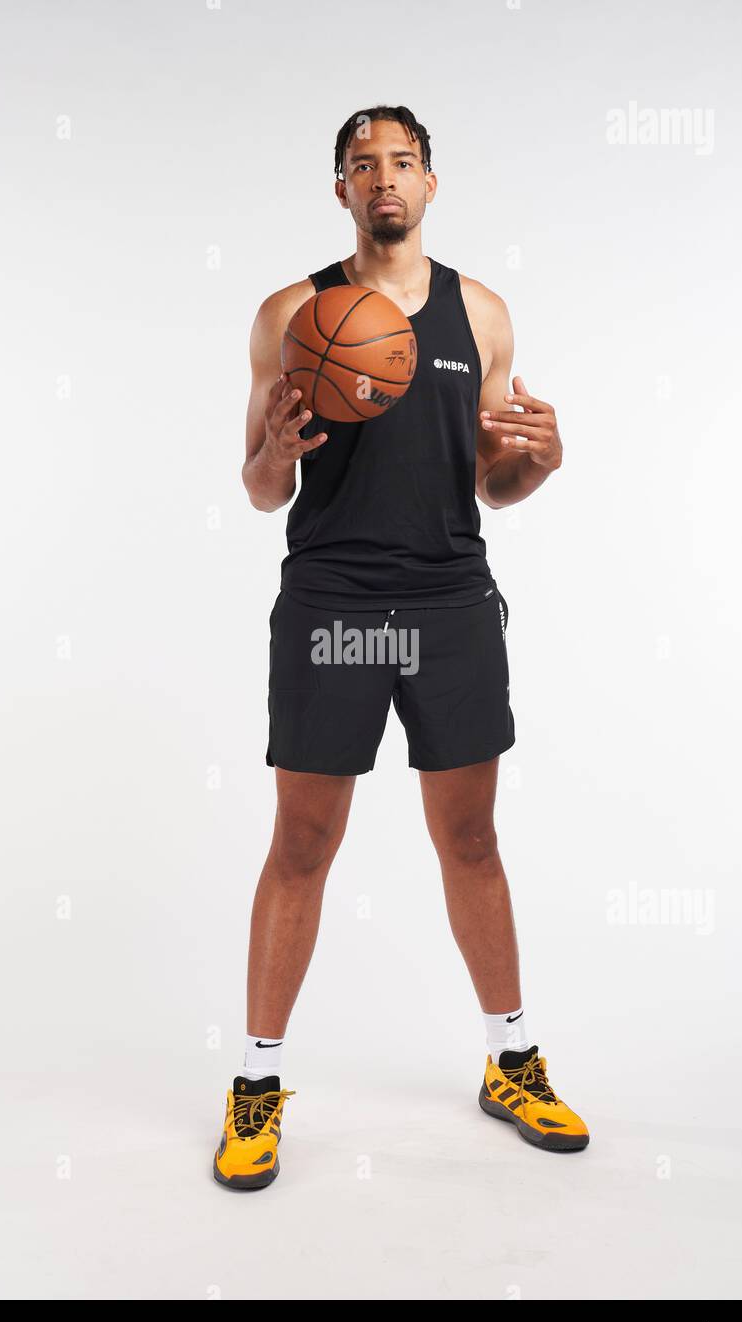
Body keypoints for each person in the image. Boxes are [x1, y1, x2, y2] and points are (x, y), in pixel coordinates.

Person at [213, 105, 588, 1191]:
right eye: (362, 165)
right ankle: (255, 1084)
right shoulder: (293, 312)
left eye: (402, 162)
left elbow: (493, 480)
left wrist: (543, 463)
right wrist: (272, 450)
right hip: (332, 598)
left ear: (430, 184)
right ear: (340, 191)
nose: (384, 179)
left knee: (470, 838)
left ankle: (510, 1060)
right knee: (303, 841)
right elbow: (256, 487)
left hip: (449, 600)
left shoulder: (482, 314)